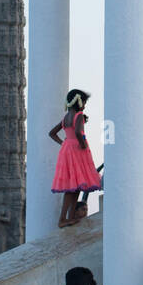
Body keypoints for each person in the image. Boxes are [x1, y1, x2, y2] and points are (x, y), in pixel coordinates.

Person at [49, 90, 102, 227]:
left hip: (67, 149)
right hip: (77, 150)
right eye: (84, 102)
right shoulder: (79, 115)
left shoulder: (66, 117)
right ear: (79, 101)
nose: (85, 105)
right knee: (74, 186)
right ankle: (63, 218)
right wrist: (83, 144)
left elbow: (52, 133)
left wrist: (64, 143)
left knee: (75, 185)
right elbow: (79, 132)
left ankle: (69, 216)